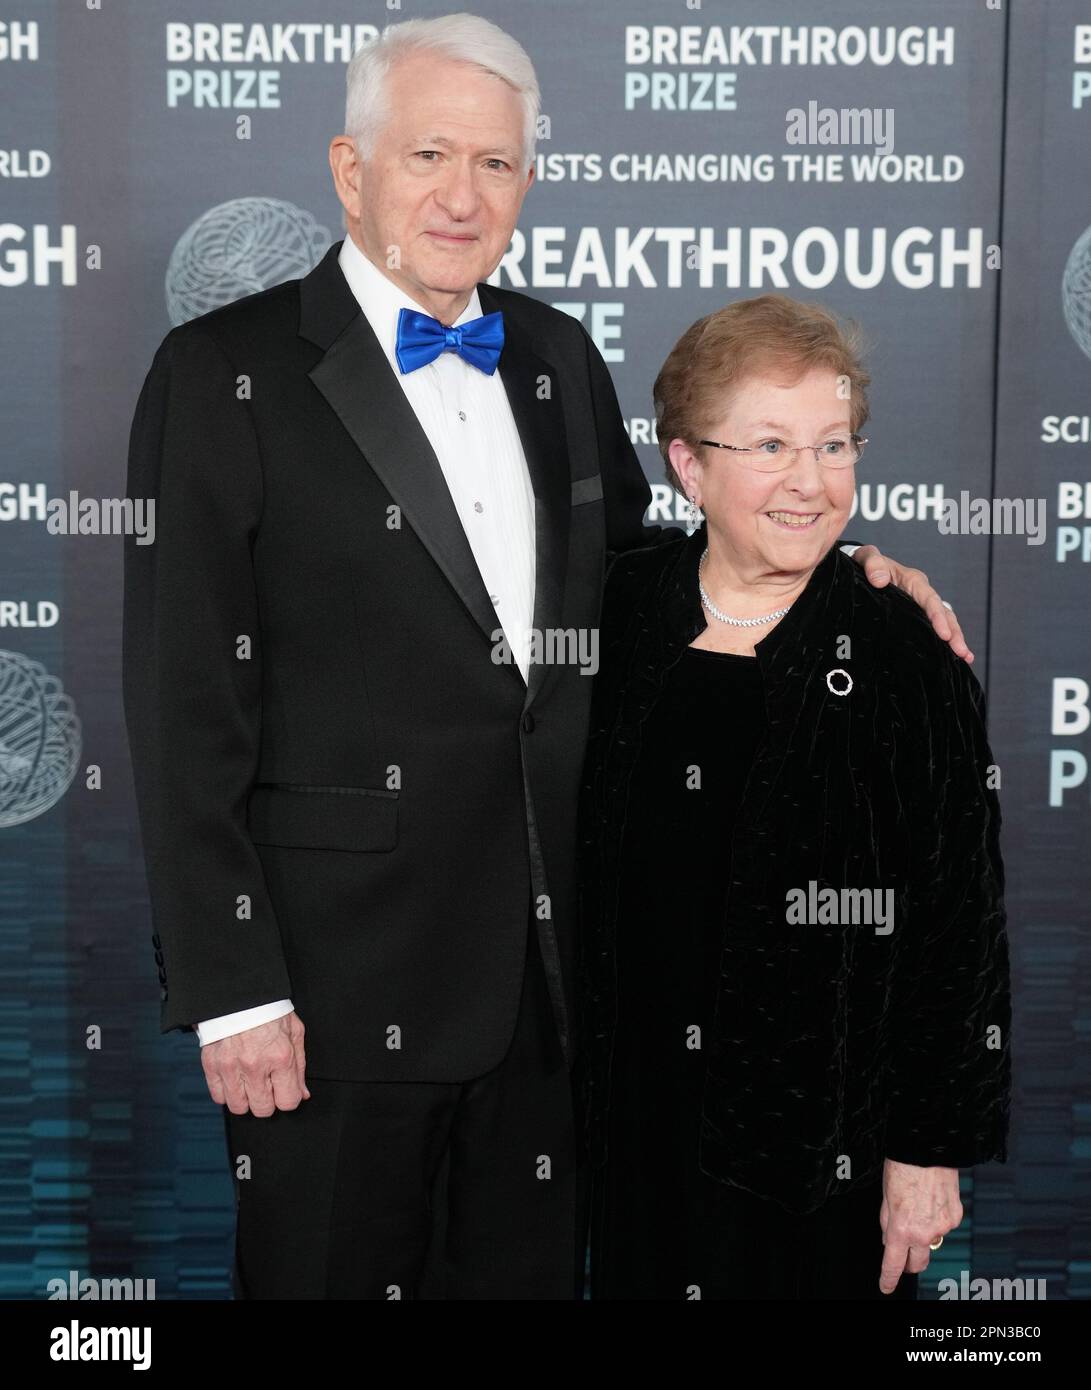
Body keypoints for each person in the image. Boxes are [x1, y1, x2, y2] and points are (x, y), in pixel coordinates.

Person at [122, 14, 970, 1300]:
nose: (463, 196)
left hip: (555, 983)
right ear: (350, 171)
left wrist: (853, 573)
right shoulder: (221, 372)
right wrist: (231, 986)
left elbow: (645, 588)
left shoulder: (554, 357)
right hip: (331, 993)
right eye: (428, 156)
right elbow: (185, 696)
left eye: (497, 164)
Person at [578, 294, 1012, 1301]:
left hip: (818, 1155)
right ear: (687, 463)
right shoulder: (616, 610)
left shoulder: (903, 651)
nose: (809, 483)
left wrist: (925, 1154)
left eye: (832, 444)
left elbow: (957, 930)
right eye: (769, 445)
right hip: (630, 1128)